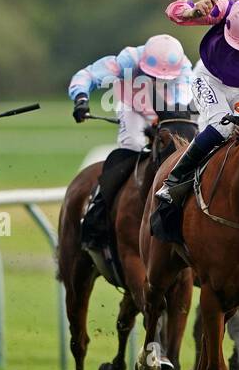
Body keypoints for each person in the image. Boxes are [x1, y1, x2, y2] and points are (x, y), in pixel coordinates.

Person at [152, 0, 239, 239]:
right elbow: (173, 12)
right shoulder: (225, 10)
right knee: (222, 126)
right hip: (208, 79)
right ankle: (173, 183)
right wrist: (191, 12)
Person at [68, 34, 193, 249]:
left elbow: (179, 107)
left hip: (167, 114)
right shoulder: (128, 59)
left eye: (163, 79)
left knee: (184, 150)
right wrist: (81, 98)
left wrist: (163, 121)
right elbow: (87, 75)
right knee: (133, 146)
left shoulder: (183, 68)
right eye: (150, 76)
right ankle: (98, 211)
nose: (157, 82)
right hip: (132, 108)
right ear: (142, 65)